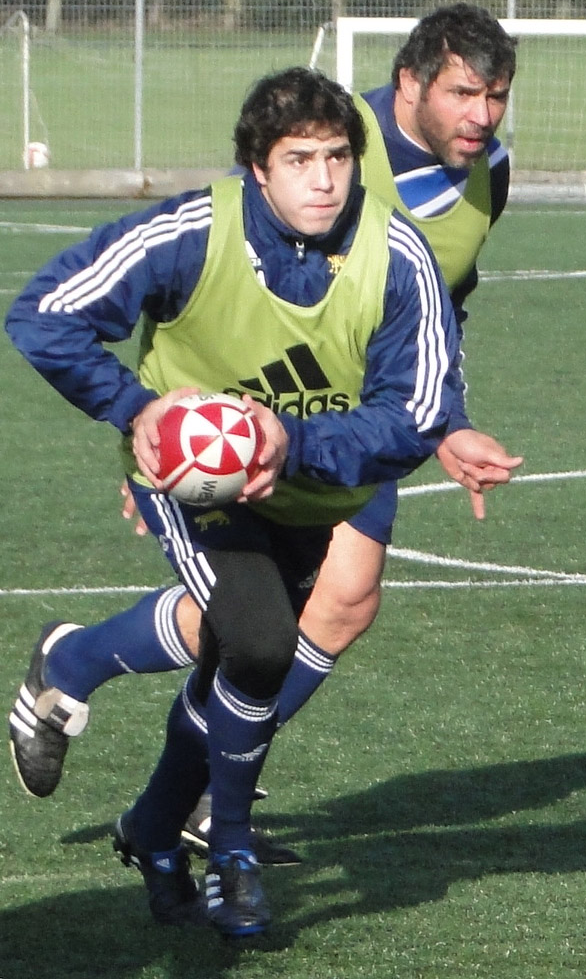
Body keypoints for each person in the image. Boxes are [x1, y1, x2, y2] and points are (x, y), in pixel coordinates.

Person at [6, 67, 518, 936]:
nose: (323, 179)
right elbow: (45, 312)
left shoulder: (399, 257)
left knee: (240, 646)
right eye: (297, 160)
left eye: (337, 158)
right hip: (195, 484)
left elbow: (417, 413)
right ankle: (232, 847)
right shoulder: (189, 231)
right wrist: (140, 412)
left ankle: (148, 815)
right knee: (261, 636)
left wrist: (294, 443)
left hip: (320, 482)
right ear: (257, 169)